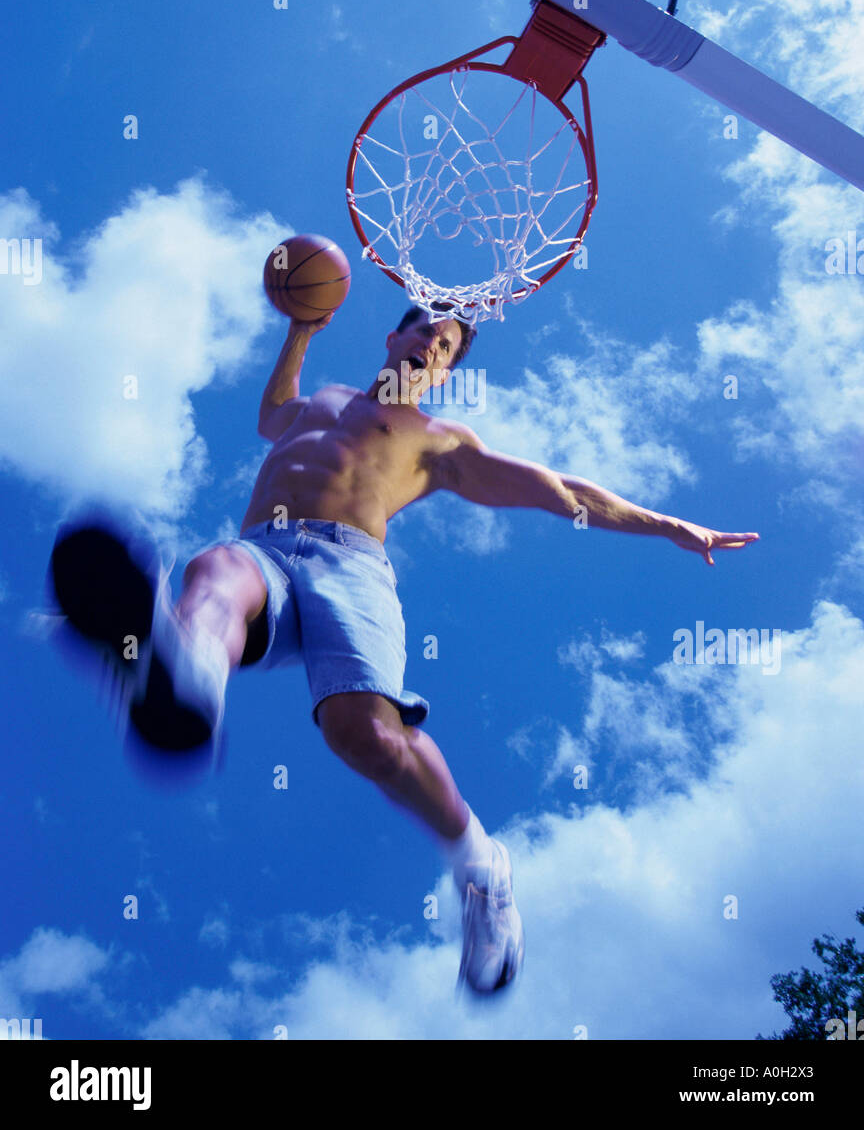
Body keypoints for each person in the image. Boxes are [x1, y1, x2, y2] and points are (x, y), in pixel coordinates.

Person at [50, 306, 759, 997]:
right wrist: (299, 331)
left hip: (352, 570)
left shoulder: (439, 442)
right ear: (394, 337)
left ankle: (481, 866)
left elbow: (560, 491)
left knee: (363, 736)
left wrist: (668, 525)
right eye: (425, 329)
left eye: (447, 347)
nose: (432, 345)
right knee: (214, 572)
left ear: (445, 371)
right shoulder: (322, 399)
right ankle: (180, 678)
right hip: (263, 551)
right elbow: (274, 415)